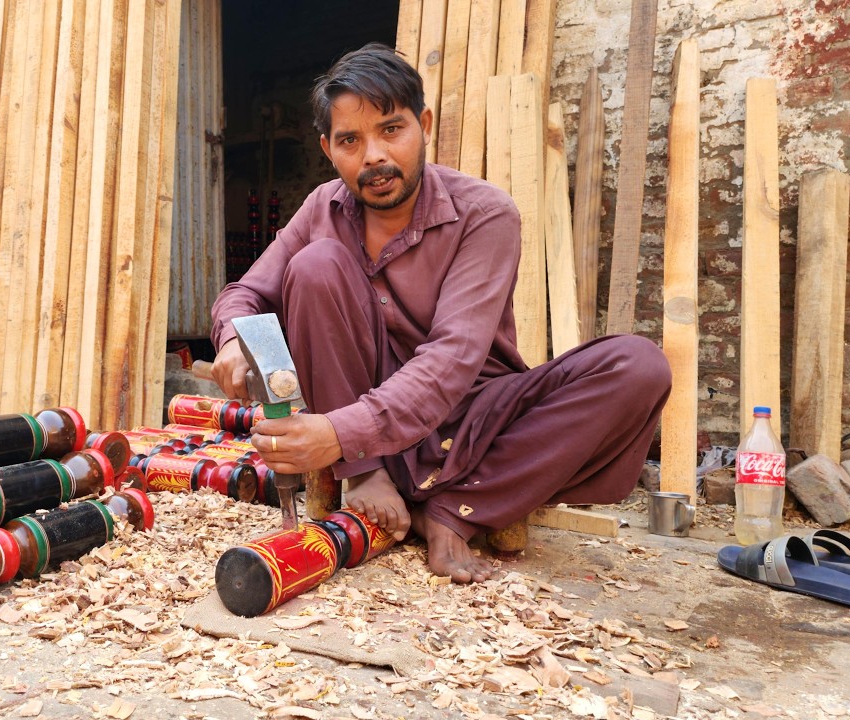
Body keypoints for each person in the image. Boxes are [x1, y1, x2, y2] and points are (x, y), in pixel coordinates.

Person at [209, 43, 671, 584]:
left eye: (391, 129)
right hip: (365, 422)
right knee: (315, 265)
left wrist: (336, 434)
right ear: (328, 149)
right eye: (350, 141)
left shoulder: (485, 213)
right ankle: (368, 476)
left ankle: (449, 511)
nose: (374, 156)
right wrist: (232, 341)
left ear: (423, 124)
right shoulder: (323, 208)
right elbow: (245, 292)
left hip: (474, 415)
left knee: (639, 366)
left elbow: (453, 360)